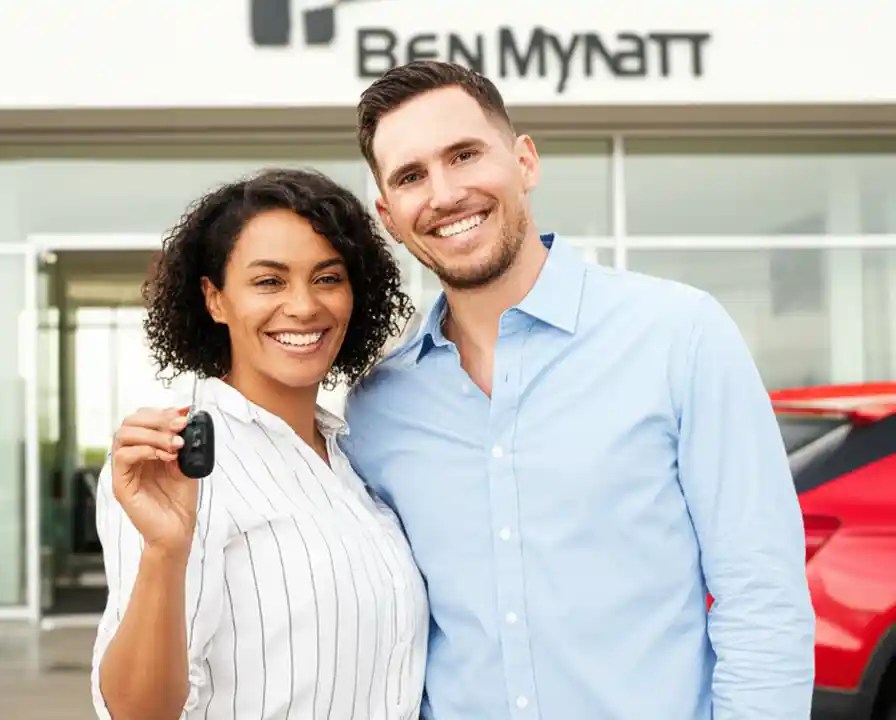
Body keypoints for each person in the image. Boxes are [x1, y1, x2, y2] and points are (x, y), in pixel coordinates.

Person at [339, 60, 817, 719]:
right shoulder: (378, 409)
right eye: (412, 176)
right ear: (390, 216)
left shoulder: (678, 336)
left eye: (465, 154)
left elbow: (761, 597)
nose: (445, 193)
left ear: (524, 161)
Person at [89, 167, 428, 720]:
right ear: (215, 299)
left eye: (327, 278)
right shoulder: (177, 464)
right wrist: (165, 551)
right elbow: (137, 713)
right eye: (269, 281)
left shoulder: (351, 457)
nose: (303, 307)